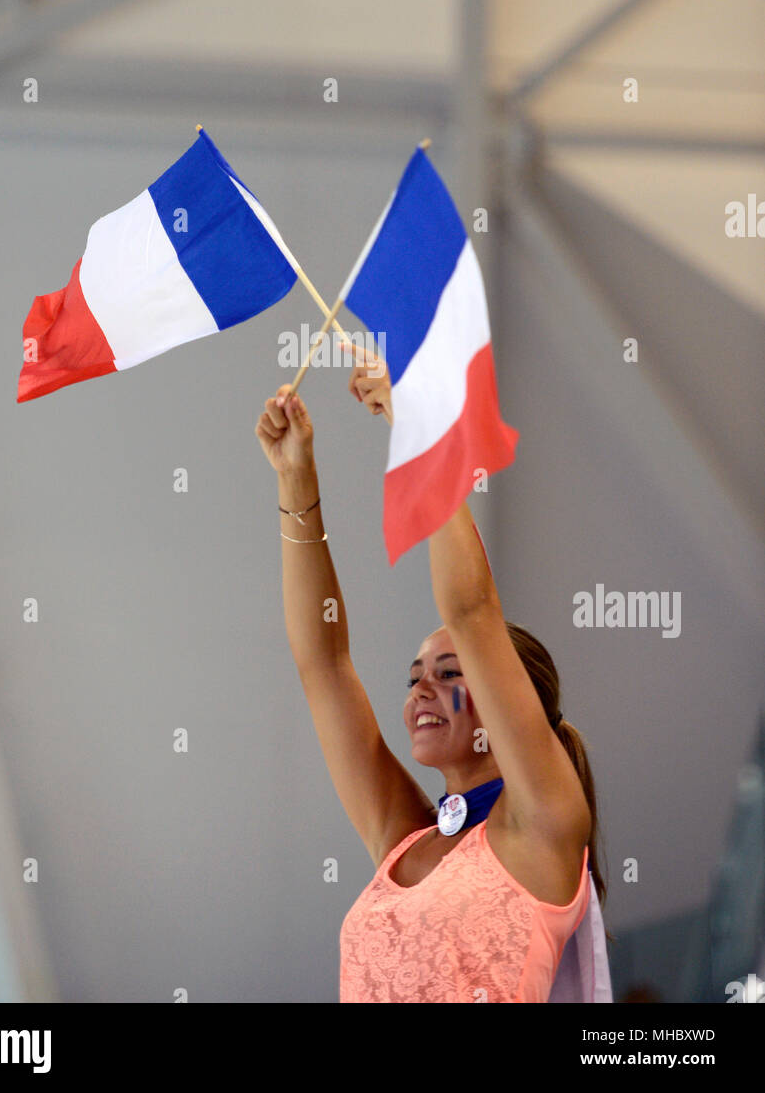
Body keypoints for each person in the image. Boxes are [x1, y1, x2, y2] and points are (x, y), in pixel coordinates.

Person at [255, 347, 610, 1003]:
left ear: (512, 701)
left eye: (448, 671)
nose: (419, 687)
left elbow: (471, 611)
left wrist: (413, 425)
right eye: (413, 673)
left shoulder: (544, 823)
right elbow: (323, 666)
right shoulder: (403, 837)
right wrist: (295, 482)